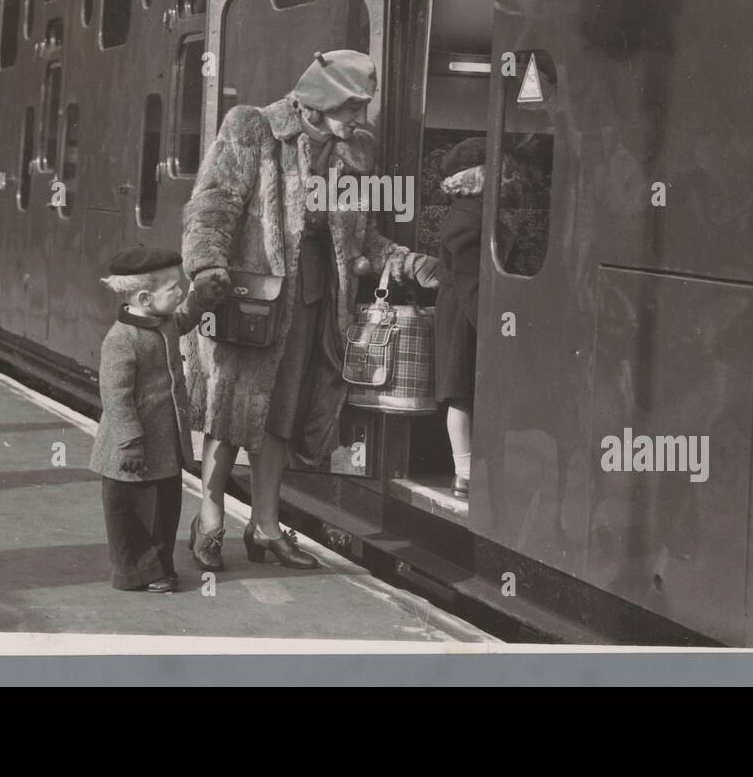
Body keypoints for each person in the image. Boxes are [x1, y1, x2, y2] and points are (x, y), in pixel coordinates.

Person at [182, 49, 437, 570]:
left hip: (313, 303)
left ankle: (266, 526)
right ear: (318, 104)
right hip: (249, 299)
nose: (361, 120)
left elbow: (364, 240)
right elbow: (215, 203)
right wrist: (207, 265)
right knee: (230, 412)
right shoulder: (253, 129)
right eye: (351, 108)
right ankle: (209, 518)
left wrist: (411, 264)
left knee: (280, 415)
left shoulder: (355, 152)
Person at [89, 245, 209, 593]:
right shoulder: (121, 340)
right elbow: (116, 397)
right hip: (131, 451)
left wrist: (202, 300)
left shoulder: (165, 321)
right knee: (131, 514)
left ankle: (159, 567)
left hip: (163, 445)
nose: (180, 292)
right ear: (144, 296)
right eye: (173, 288)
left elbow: (184, 319)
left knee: (163, 510)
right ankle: (135, 573)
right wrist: (129, 441)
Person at [432, 137, 518, 497]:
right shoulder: (472, 218)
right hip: (465, 318)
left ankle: (466, 472)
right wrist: (489, 328)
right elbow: (472, 284)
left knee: (462, 395)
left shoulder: (468, 213)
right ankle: (464, 474)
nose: (508, 177)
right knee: (461, 395)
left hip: (462, 313)